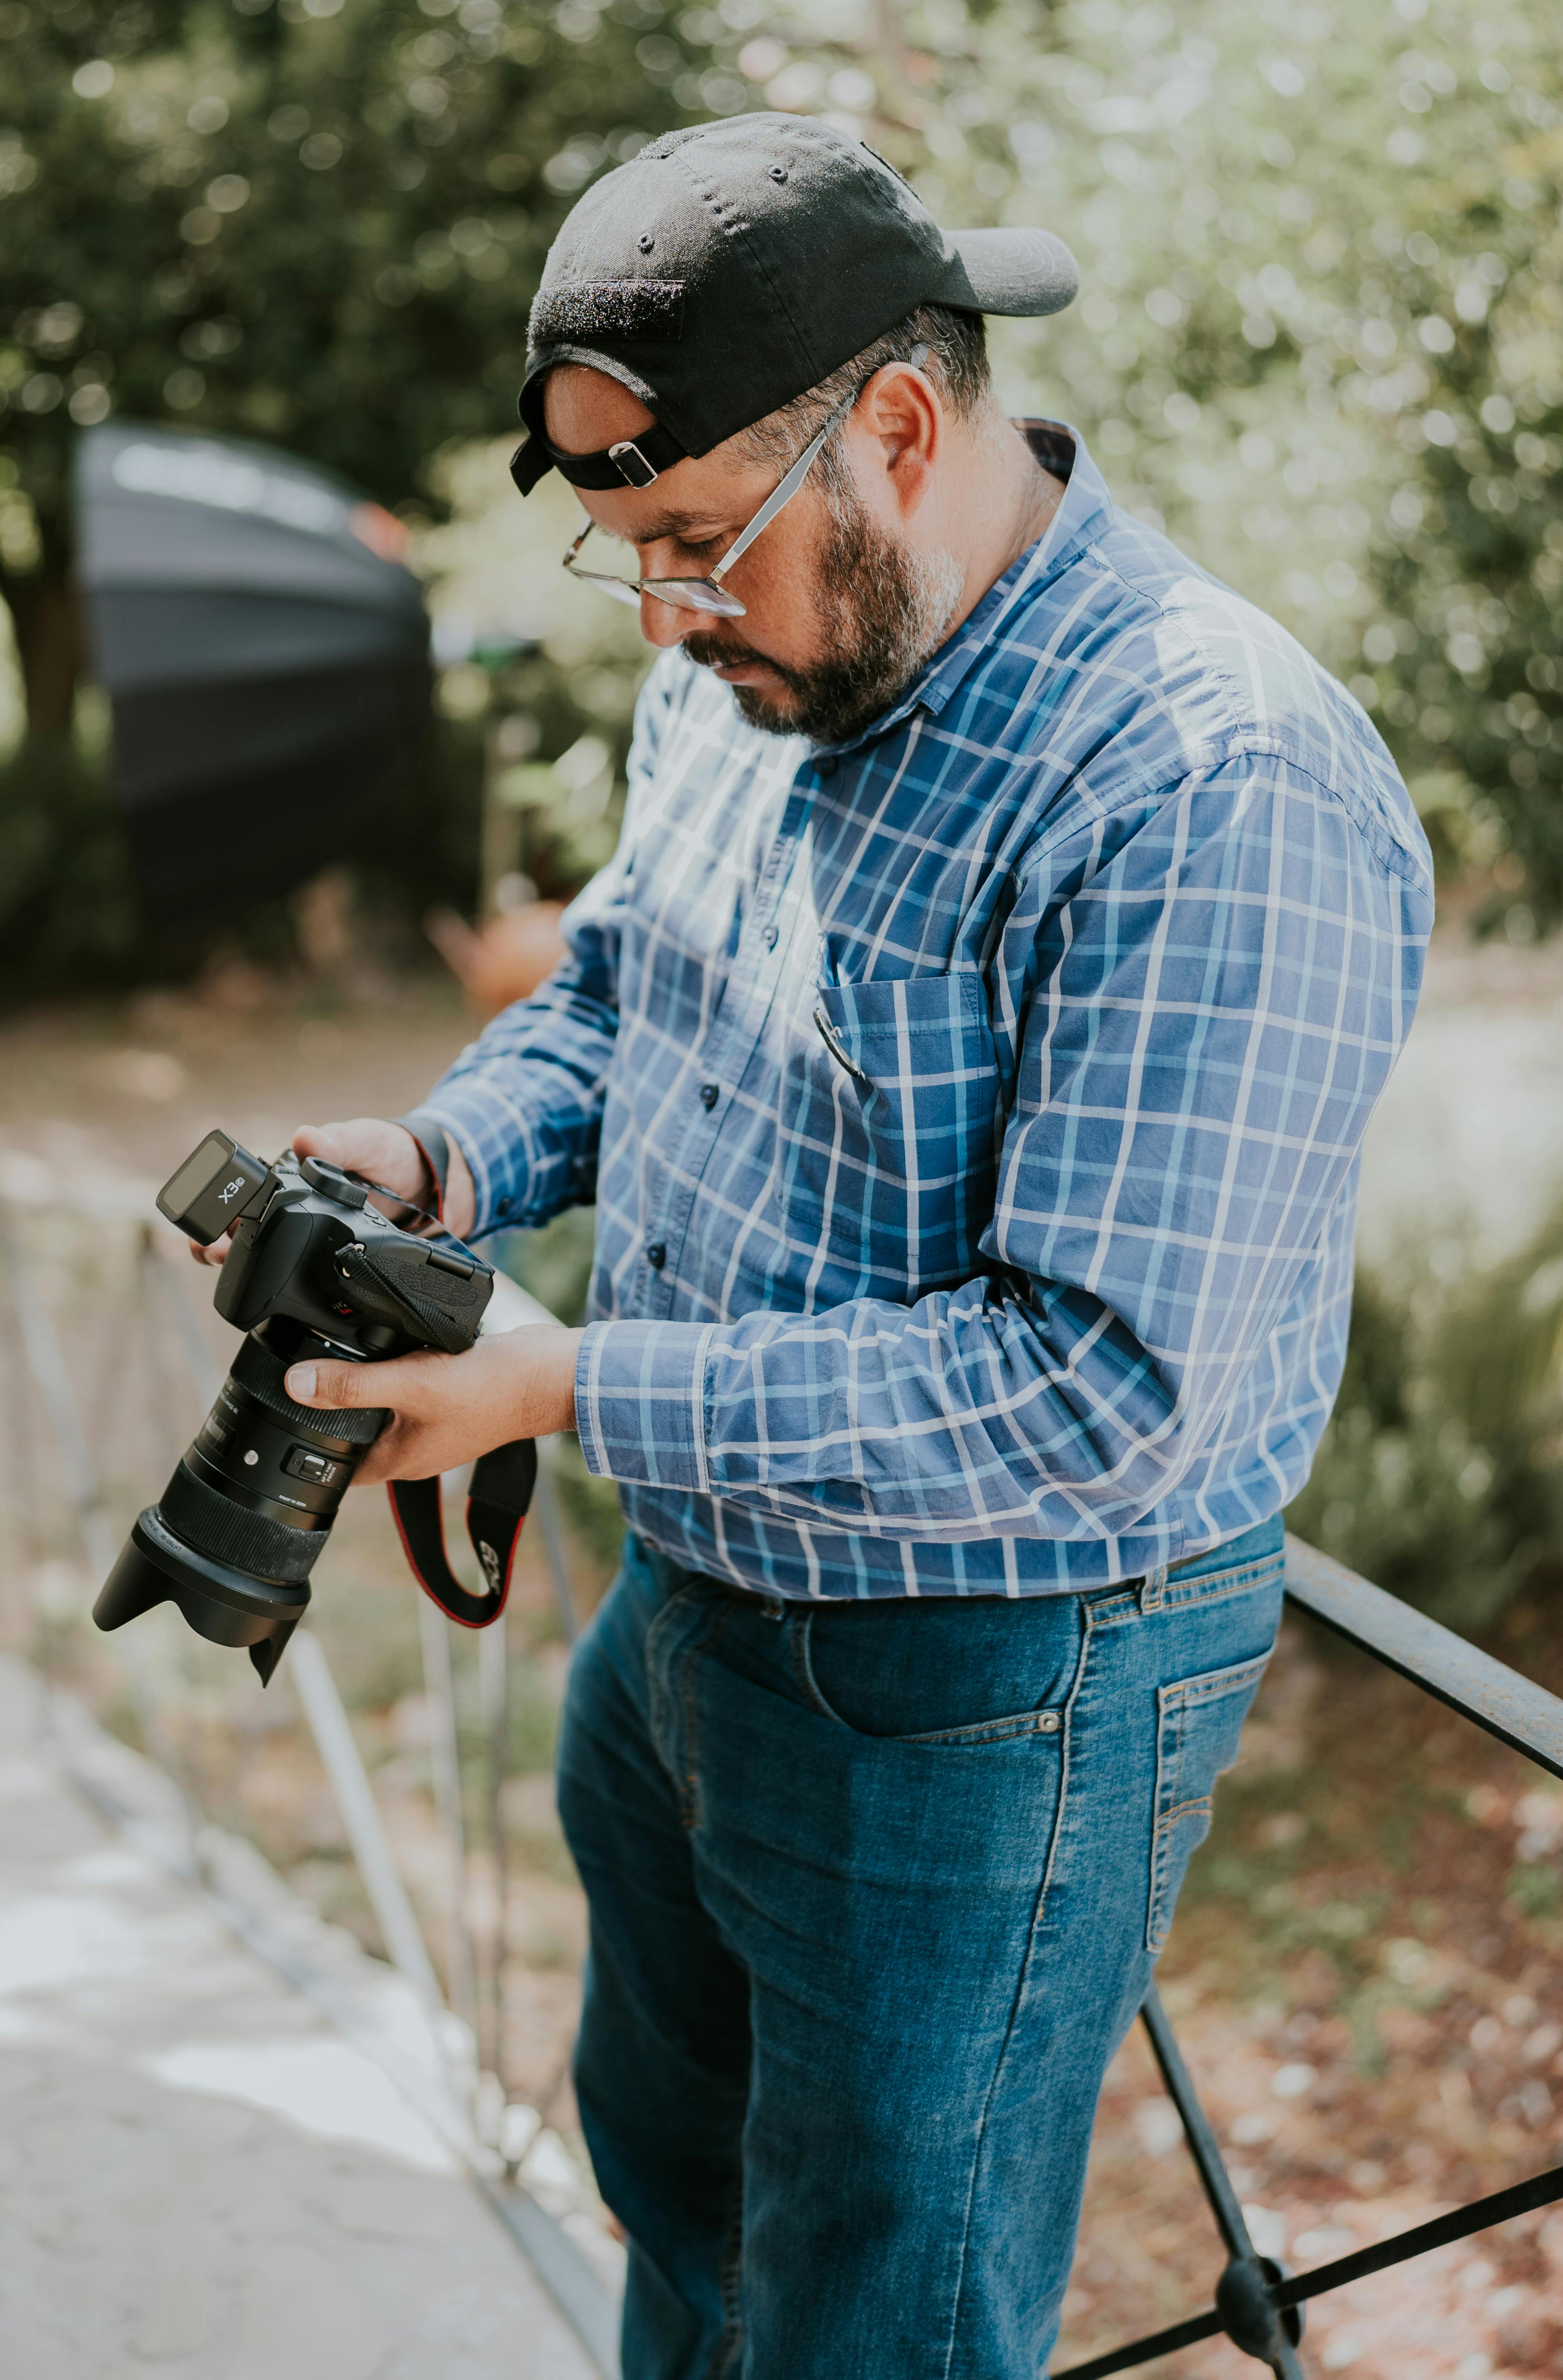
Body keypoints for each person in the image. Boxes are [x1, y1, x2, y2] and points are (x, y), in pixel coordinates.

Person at [261, 117, 1433, 2378]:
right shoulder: (739, 649)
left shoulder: (1211, 782)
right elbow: (618, 1000)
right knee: (678, 2211)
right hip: (690, 1624)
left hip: (985, 1691)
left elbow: (1089, 1391)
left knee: (871, 2322)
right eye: (632, 563)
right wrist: (436, 1168)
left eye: (697, 548)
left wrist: (564, 1390)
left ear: (893, 429)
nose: (671, 619)